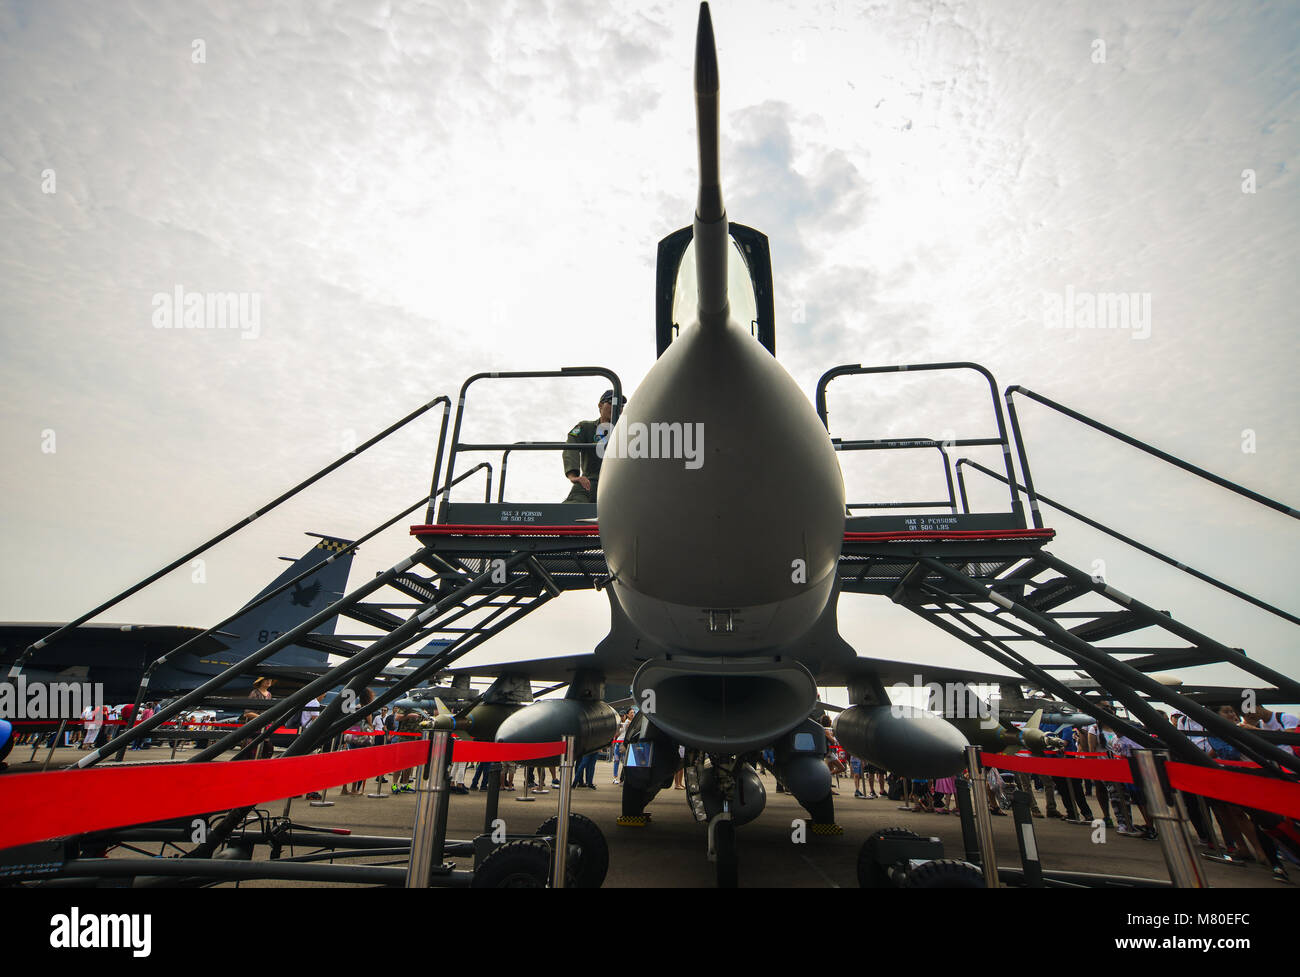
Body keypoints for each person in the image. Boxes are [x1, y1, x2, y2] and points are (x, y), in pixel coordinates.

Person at [562, 390, 618, 502]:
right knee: (570, 509)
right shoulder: (585, 427)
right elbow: (571, 445)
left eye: (620, 405)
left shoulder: (627, 433)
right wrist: (573, 476)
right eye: (611, 402)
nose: (616, 407)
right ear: (600, 405)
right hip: (589, 483)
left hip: (617, 485)